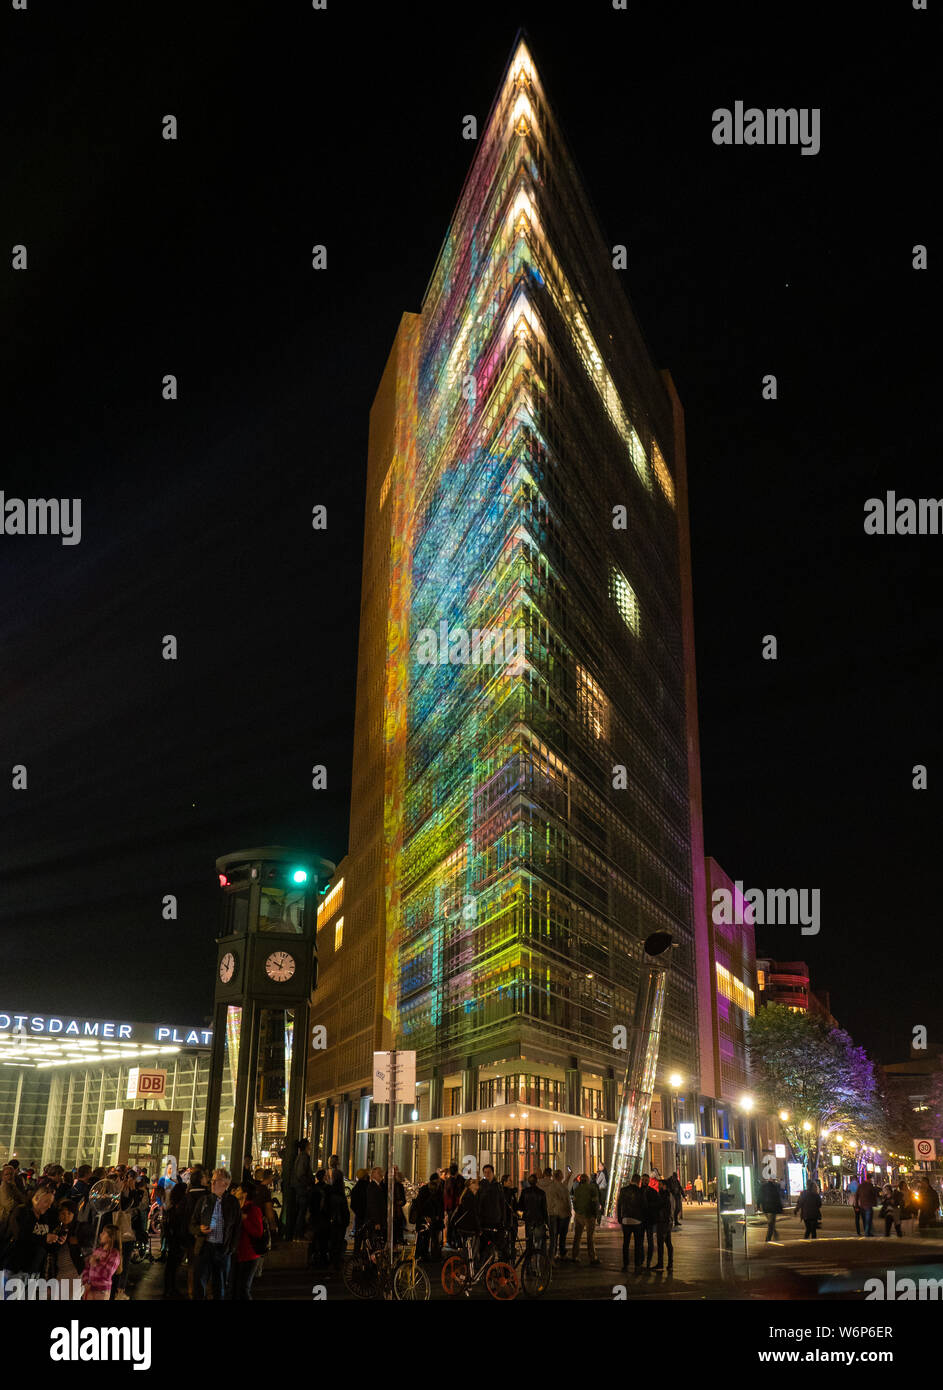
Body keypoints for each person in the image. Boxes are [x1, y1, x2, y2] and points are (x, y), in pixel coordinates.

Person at [192, 1168, 241, 1301]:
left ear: (225, 1184)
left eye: (216, 1181)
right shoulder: (204, 1200)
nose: (212, 1184)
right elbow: (192, 1224)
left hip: (222, 1249)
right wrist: (199, 1229)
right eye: (212, 1181)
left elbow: (237, 1227)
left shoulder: (232, 1202)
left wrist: (231, 1249)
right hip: (205, 1248)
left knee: (220, 1286)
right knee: (199, 1284)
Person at [3, 1187, 59, 1274]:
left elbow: (46, 1244)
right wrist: (44, 1238)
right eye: (46, 1202)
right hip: (16, 1267)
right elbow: (19, 1235)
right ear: (36, 1198)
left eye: (50, 1203)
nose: (49, 1206)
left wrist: (56, 1241)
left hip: (35, 1269)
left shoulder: (45, 1217)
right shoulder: (21, 1211)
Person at [231, 1182, 265, 1299]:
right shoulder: (237, 1208)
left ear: (244, 1194)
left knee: (243, 1289)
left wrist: (245, 1220)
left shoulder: (253, 1210)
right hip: (237, 1253)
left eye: (238, 1189)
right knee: (235, 1289)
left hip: (249, 1255)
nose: (235, 1191)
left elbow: (258, 1232)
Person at [46, 1199, 83, 1292]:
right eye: (62, 1213)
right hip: (58, 1271)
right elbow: (50, 1251)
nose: (66, 1216)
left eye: (69, 1213)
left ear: (74, 1214)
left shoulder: (79, 1229)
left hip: (74, 1271)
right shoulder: (55, 1229)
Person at [161, 1181, 190, 1298]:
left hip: (172, 1240)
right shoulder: (180, 1208)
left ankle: (169, 1288)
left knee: (171, 1266)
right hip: (177, 1240)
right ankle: (170, 1289)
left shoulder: (173, 1207)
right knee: (172, 1266)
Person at [617, 1172, 646, 1272]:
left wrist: (620, 1218)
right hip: (637, 1220)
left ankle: (625, 1264)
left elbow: (619, 1204)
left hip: (626, 1219)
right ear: (639, 1181)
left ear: (631, 1180)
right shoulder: (640, 1191)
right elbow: (643, 1206)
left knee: (626, 1243)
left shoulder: (623, 1190)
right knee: (638, 1244)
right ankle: (637, 1265)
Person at [81, 1226, 121, 1301]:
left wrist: (95, 1263)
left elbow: (107, 1273)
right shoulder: (98, 1250)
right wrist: (85, 1282)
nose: (100, 1234)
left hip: (101, 1291)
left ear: (110, 1237)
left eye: (103, 1233)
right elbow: (87, 1267)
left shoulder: (114, 1254)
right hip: (89, 1288)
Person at [413, 1172, 445, 1262]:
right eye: (437, 1181)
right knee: (423, 1235)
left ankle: (428, 1254)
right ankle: (420, 1254)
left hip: (434, 1217)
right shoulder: (425, 1189)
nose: (439, 1182)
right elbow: (420, 1204)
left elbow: (440, 1204)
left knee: (430, 1236)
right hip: (425, 1217)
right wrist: (425, 1216)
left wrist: (439, 1216)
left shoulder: (438, 1189)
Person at [571, 1173, 601, 1265]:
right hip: (589, 1215)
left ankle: (575, 1255)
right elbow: (595, 1202)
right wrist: (596, 1214)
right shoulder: (592, 1188)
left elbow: (574, 1202)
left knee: (577, 1236)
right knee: (590, 1237)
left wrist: (577, 1211)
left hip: (579, 1215)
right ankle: (592, 1257)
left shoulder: (577, 1189)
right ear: (587, 1180)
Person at [326, 1156, 350, 1269]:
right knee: (338, 1238)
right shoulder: (339, 1174)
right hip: (339, 1217)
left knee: (332, 1238)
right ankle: (336, 1259)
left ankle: (331, 1258)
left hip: (332, 1217)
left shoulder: (328, 1176)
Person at [477, 1165, 505, 1260]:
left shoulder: (498, 1186)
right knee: (484, 1247)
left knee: (497, 1246)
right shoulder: (480, 1186)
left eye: (489, 1172)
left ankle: (494, 1266)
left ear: (493, 1173)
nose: (487, 1174)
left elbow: (502, 1204)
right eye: (485, 1172)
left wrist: (502, 1219)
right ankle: (484, 1267)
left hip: (495, 1221)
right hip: (484, 1221)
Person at [517, 1173, 548, 1253]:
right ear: (536, 1181)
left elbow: (520, 1206)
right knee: (540, 1240)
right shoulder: (541, 1193)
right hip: (539, 1219)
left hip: (529, 1219)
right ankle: (540, 1257)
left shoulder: (524, 1192)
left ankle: (528, 1259)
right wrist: (546, 1221)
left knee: (529, 1240)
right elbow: (544, 1208)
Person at [545, 1170, 572, 1262]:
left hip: (557, 1213)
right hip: (559, 1214)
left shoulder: (555, 1186)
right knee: (558, 1235)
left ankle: (558, 1253)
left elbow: (564, 1184)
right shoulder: (557, 1187)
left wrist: (569, 1175)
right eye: (562, 1174)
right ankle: (556, 1254)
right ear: (559, 1176)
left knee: (557, 1235)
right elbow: (561, 1199)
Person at [640, 1173, 660, 1268]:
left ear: (648, 1181)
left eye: (646, 1180)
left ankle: (648, 1261)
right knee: (640, 1241)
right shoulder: (639, 1191)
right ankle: (642, 1259)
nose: (645, 1182)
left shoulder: (652, 1192)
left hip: (649, 1220)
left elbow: (657, 1205)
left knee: (650, 1241)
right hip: (641, 1220)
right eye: (643, 1180)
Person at [654, 1178, 675, 1270]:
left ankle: (661, 1263)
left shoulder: (664, 1195)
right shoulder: (667, 1195)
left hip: (663, 1222)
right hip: (666, 1221)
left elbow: (660, 1206)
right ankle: (669, 1263)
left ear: (665, 1186)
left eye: (660, 1184)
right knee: (668, 1243)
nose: (658, 1186)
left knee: (661, 1242)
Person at [443, 1163, 465, 1248]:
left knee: (453, 1224)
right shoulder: (456, 1180)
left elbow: (446, 1195)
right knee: (453, 1224)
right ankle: (454, 1241)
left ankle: (454, 1241)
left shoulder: (449, 1181)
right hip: (453, 1206)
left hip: (453, 1206)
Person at [349, 1169, 370, 1253]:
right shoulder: (368, 1187)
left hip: (359, 1217)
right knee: (367, 1239)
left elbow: (352, 1205)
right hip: (368, 1217)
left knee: (358, 1239)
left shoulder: (355, 1189)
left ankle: (356, 1258)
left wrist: (358, 1212)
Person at [758, 1175, 784, 1242]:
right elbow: (777, 1198)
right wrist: (780, 1208)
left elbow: (760, 1196)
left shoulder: (763, 1186)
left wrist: (759, 1205)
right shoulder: (775, 1187)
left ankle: (773, 1233)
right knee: (771, 1223)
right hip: (772, 1208)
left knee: (771, 1222)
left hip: (765, 1207)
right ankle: (768, 1239)